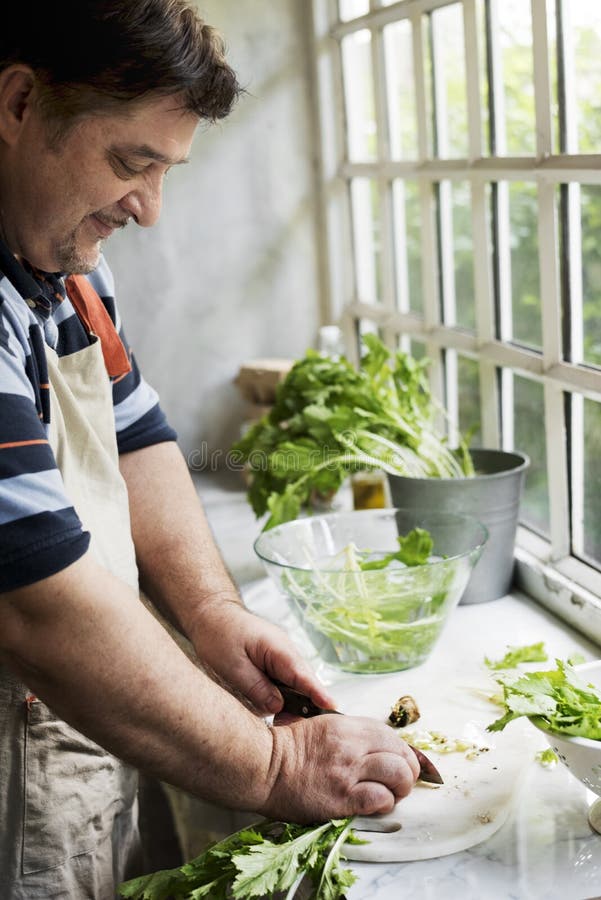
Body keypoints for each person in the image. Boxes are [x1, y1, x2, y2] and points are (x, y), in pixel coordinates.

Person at [0, 2, 419, 897]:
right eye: (131, 162)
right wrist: (271, 769)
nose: (148, 210)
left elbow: (135, 432)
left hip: (82, 730)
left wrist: (211, 612)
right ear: (20, 103)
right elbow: (34, 606)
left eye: (165, 169)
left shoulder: (68, 264)